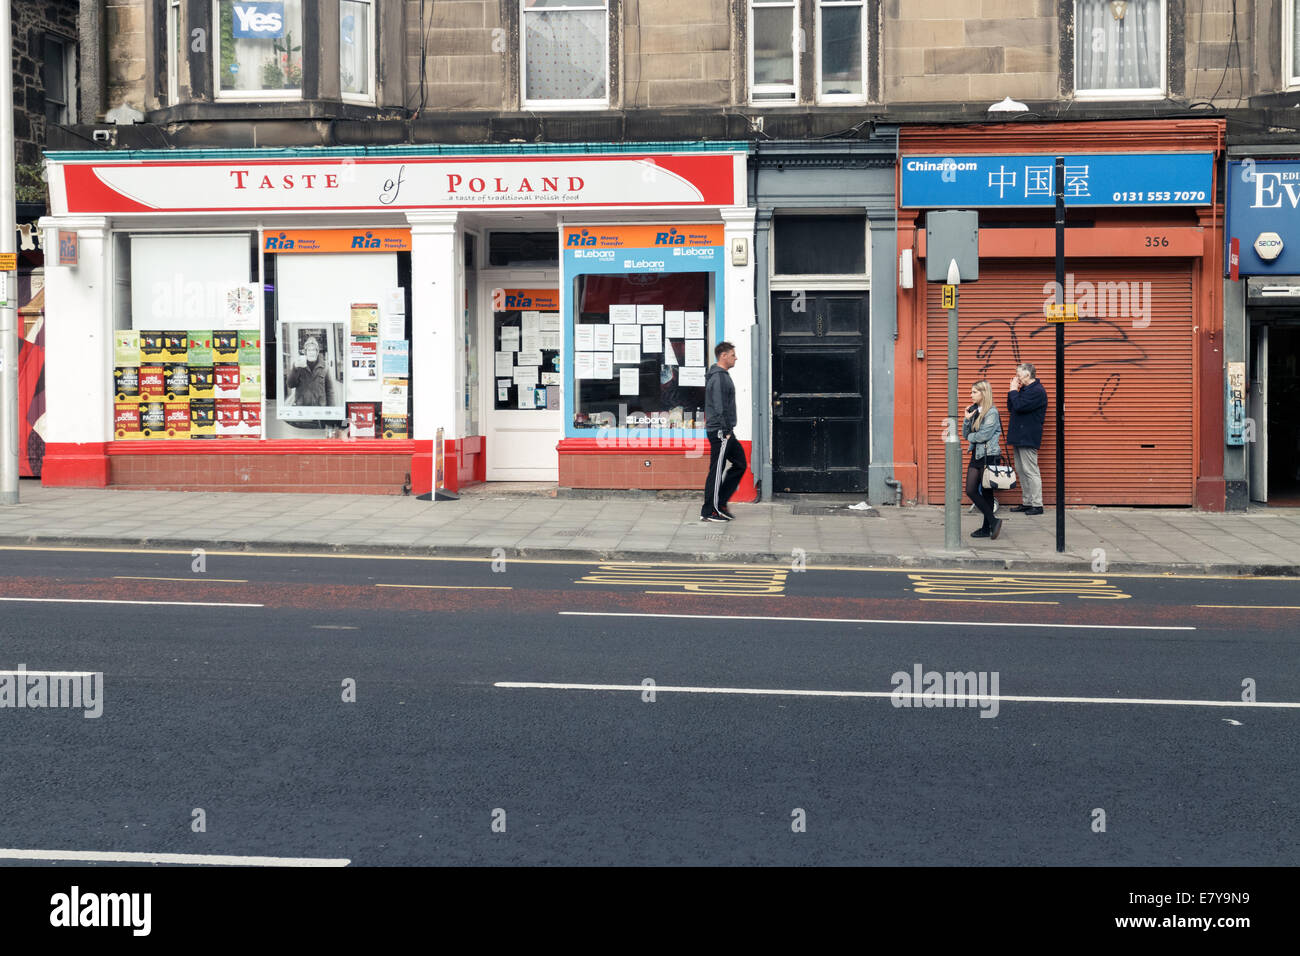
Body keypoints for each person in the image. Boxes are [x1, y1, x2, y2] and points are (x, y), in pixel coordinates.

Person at [700, 341, 747, 522]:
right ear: (723, 356)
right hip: (721, 431)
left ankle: (720, 503)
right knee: (716, 470)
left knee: (740, 463)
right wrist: (726, 430)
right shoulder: (719, 377)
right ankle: (710, 511)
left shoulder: (722, 375)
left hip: (726, 430)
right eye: (733, 354)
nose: (736, 358)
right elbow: (720, 406)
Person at [963, 379, 1004, 540]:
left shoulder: (992, 412)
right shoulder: (975, 411)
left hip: (989, 455)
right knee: (971, 490)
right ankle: (992, 522)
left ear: (983, 393)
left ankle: (987, 527)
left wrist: (973, 437)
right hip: (977, 455)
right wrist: (967, 419)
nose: (971, 395)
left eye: (974, 392)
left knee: (986, 492)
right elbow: (967, 435)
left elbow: (984, 435)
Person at [1006, 362, 1047, 516]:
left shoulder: (1036, 391)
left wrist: (1013, 391)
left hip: (1028, 436)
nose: (1016, 376)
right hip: (1019, 436)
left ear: (1027, 375)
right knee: (1022, 470)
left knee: (1030, 470)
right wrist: (1013, 391)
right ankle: (1027, 502)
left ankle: (1037, 504)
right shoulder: (1024, 390)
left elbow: (1020, 406)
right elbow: (1012, 407)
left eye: (1018, 374)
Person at [286, 335, 335, 408]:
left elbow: (329, 390)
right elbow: (290, 385)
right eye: (309, 350)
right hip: (302, 408)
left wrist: (332, 409)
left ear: (317, 352)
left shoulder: (325, 366)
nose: (311, 352)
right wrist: (295, 368)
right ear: (306, 352)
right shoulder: (299, 365)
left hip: (320, 408)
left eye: (313, 350)